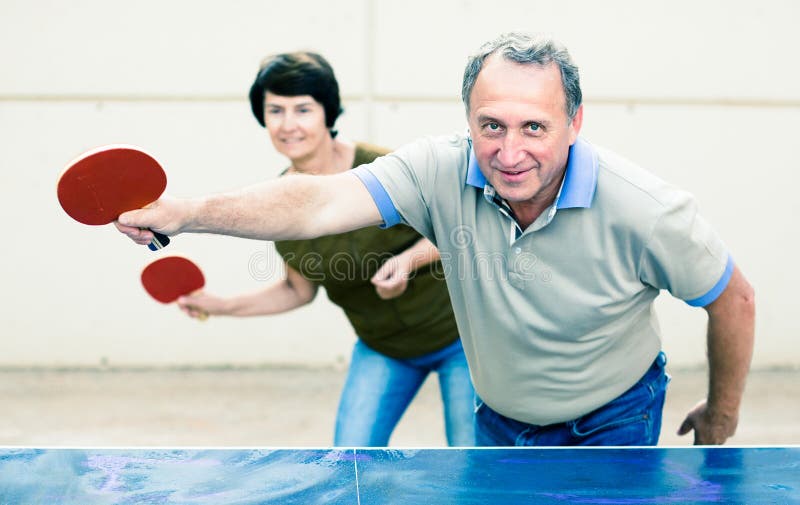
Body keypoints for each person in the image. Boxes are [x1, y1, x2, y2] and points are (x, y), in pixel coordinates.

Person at [117, 34, 755, 446]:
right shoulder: (437, 169)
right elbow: (315, 201)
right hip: (494, 413)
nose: (510, 152)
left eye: (535, 125)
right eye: (490, 125)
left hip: (611, 415)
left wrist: (721, 415)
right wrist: (186, 211)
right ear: (467, 121)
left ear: (574, 122)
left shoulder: (645, 208)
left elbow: (733, 298)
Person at [175, 52, 475, 447]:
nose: (287, 125)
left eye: (302, 109)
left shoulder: (386, 167)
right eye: (275, 110)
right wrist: (221, 306)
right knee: (349, 463)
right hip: (383, 347)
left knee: (474, 462)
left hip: (461, 339)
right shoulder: (275, 206)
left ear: (327, 112)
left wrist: (407, 261)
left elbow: (461, 227)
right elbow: (296, 290)